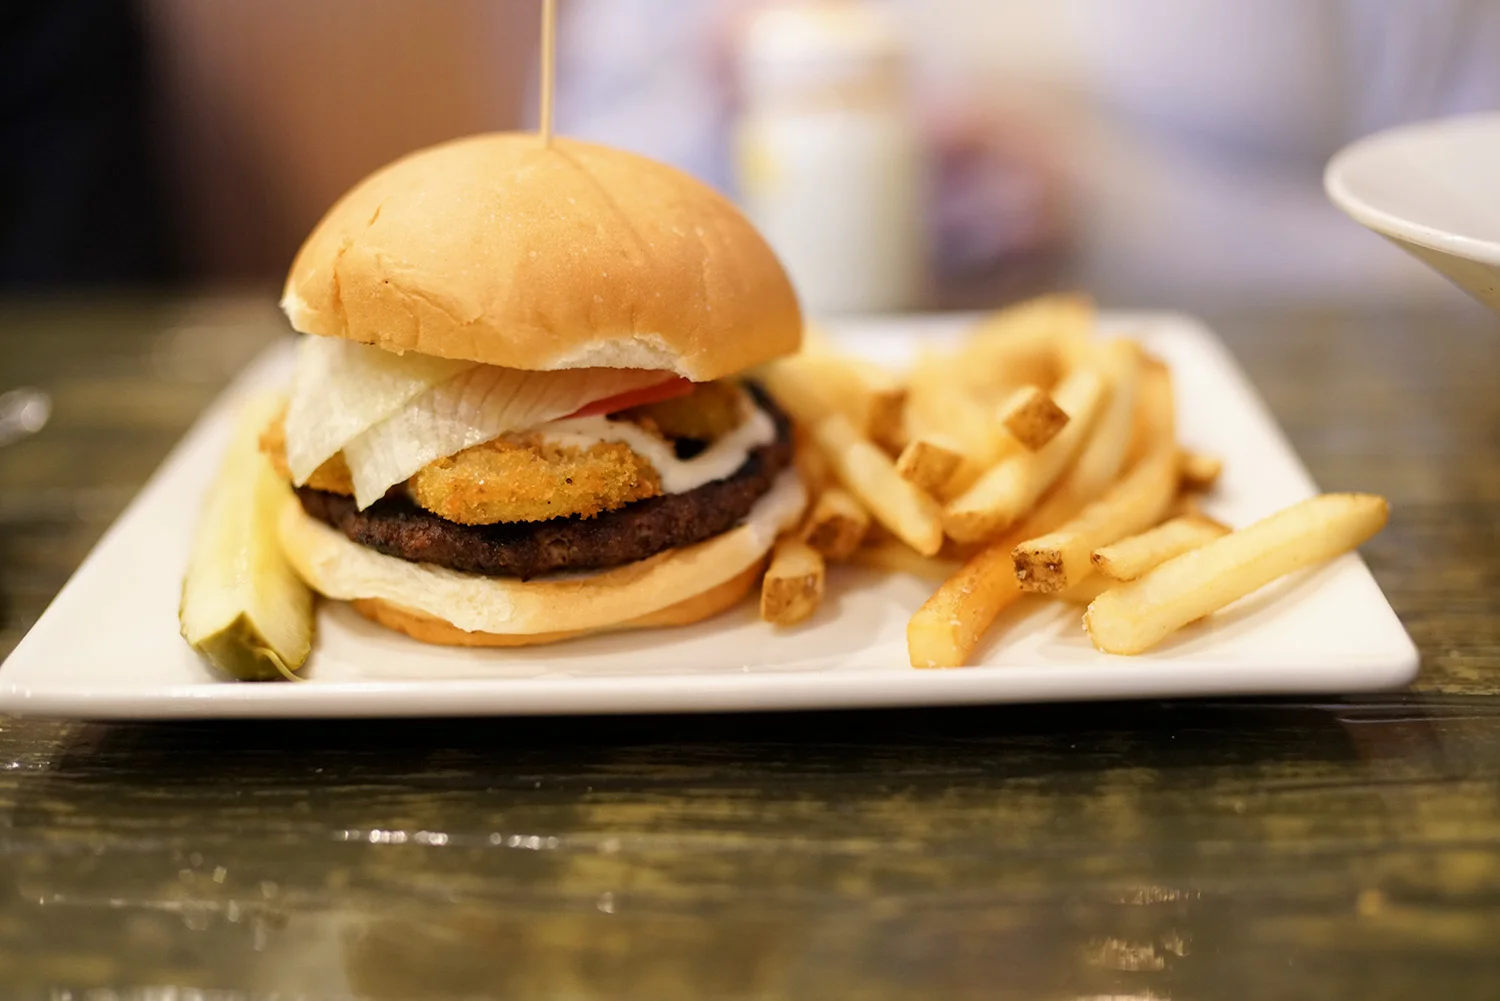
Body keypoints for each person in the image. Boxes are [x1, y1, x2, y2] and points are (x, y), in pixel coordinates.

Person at [552, 0, 1500, 308]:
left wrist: (1114, 219)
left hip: (1295, 445)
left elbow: (1467, 238)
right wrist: (725, 112)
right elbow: (558, 194)